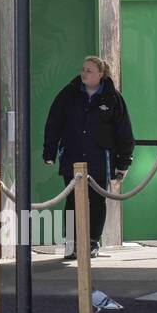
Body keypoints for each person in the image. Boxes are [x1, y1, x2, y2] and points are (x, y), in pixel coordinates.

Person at [42, 55, 135, 259]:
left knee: (96, 199)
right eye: (83, 69)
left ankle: (92, 241)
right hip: (72, 156)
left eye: (89, 70)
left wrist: (124, 162)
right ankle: (71, 242)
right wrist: (49, 151)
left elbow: (124, 131)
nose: (84, 73)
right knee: (72, 200)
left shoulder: (113, 97)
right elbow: (54, 122)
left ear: (101, 74)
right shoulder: (68, 94)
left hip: (99, 157)